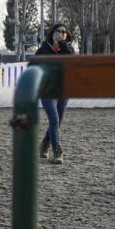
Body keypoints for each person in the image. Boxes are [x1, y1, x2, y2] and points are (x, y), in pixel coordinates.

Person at [32, 23, 74, 164]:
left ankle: (44, 145)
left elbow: (71, 61)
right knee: (54, 119)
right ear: (53, 33)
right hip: (47, 90)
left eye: (64, 32)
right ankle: (57, 151)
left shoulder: (68, 49)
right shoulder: (43, 49)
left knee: (57, 122)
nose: (62, 34)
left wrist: (63, 45)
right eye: (59, 31)